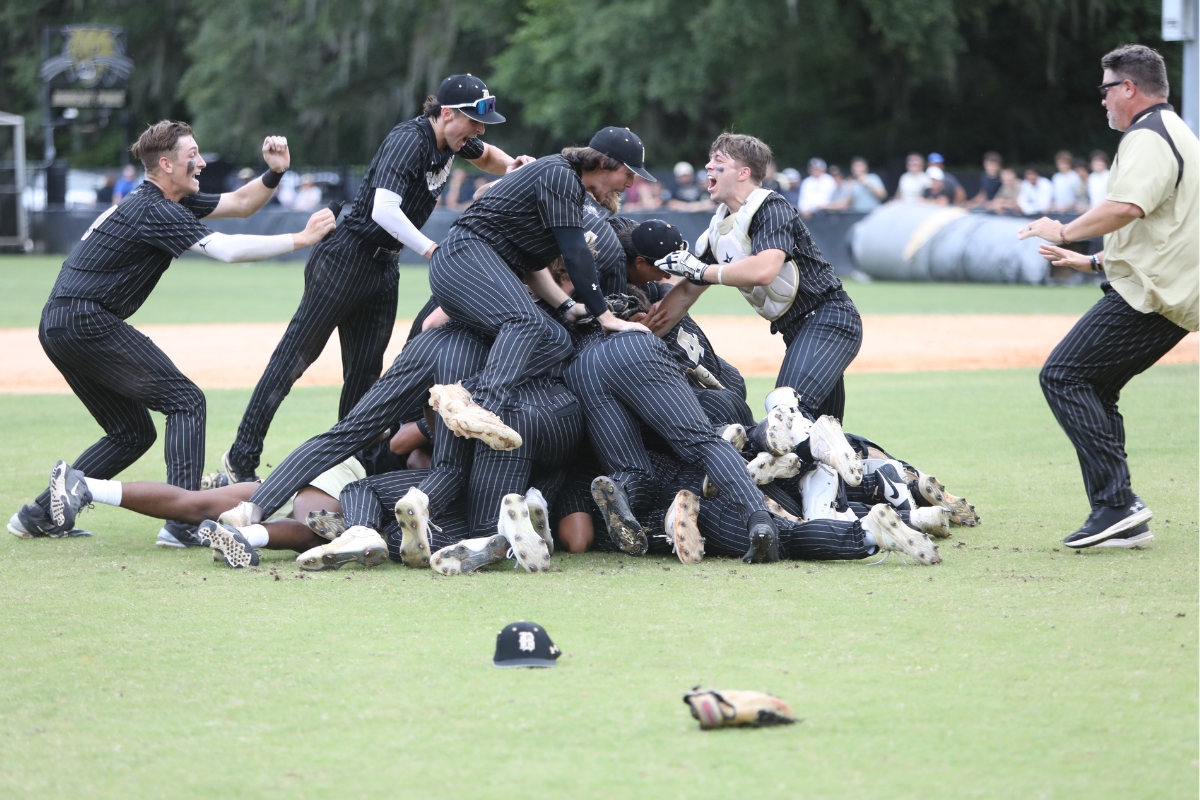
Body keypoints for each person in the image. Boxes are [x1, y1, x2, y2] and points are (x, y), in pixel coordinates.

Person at [7, 120, 337, 544]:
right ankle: (183, 524)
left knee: (132, 434)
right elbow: (227, 250)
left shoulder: (169, 200)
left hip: (60, 322)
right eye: (192, 156)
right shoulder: (156, 209)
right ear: (165, 164)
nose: (200, 162)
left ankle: (39, 515)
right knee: (186, 400)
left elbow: (240, 203)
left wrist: (274, 172)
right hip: (84, 319)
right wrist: (301, 238)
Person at [221, 75, 532, 484]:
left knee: (366, 375)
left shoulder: (454, 139)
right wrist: (430, 249)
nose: (478, 131)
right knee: (294, 359)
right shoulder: (410, 139)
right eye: (474, 121)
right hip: (346, 257)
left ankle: (346, 470)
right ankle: (240, 460)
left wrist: (510, 166)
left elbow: (487, 154)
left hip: (384, 268)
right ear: (446, 113)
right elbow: (385, 209)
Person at [1018, 43, 1197, 550]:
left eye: (1105, 89)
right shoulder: (1174, 131)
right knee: (1095, 388)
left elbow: (1126, 208)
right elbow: (1166, 226)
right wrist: (1094, 261)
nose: (1102, 101)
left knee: (1062, 375)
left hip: (1151, 296)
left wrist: (1066, 230)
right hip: (1166, 292)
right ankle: (1120, 515)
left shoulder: (1148, 135)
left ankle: (1119, 504)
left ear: (1128, 88)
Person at [424, 126, 651, 443]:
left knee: (557, 338)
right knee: (526, 321)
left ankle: (462, 396)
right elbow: (576, 253)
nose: (630, 184)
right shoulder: (561, 175)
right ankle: (481, 406)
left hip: (481, 260)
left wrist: (568, 306)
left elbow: (530, 263)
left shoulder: (566, 181)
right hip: (465, 254)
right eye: (628, 173)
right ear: (605, 162)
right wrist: (606, 317)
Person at [650, 132, 866, 434]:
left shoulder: (770, 207)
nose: (708, 167)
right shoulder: (719, 229)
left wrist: (701, 270)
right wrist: (644, 332)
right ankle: (894, 474)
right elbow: (686, 292)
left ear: (743, 172)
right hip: (799, 329)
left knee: (786, 416)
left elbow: (764, 270)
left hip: (830, 319)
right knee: (819, 439)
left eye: (718, 161)